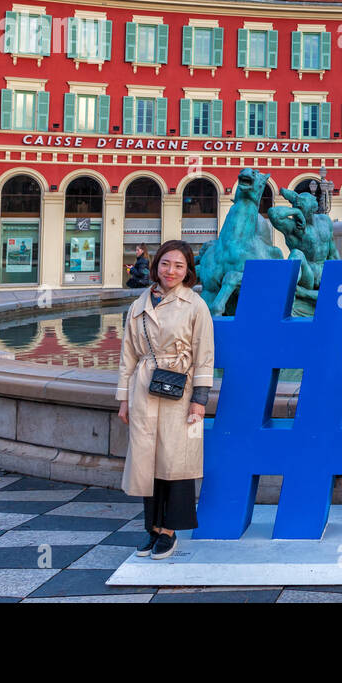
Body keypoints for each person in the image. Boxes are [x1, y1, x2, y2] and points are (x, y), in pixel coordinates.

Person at [117, 240, 214, 559]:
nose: (170, 271)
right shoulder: (138, 305)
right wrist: (123, 399)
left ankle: (170, 531)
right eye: (165, 264)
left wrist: (200, 400)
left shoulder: (195, 305)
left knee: (176, 460)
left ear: (187, 272)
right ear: (156, 265)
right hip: (145, 387)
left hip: (180, 390)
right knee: (147, 460)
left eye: (179, 266)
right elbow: (127, 355)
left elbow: (205, 355)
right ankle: (153, 528)